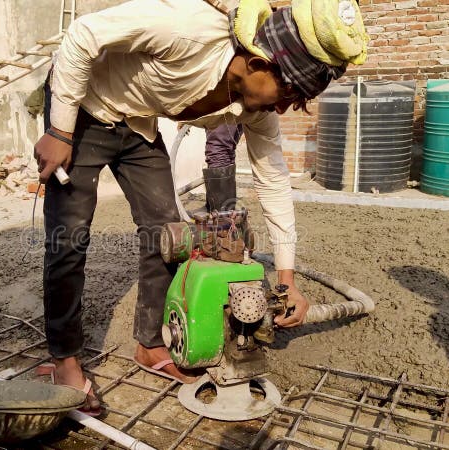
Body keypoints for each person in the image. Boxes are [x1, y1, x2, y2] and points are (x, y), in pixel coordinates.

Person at [33, 0, 368, 415]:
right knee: (69, 238)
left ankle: (150, 344)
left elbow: (274, 182)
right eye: (287, 93)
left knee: (168, 233)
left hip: (136, 123)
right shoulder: (186, 28)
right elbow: (82, 35)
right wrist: (59, 130)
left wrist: (286, 280)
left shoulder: (256, 109)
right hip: (84, 108)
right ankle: (65, 361)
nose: (283, 108)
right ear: (258, 63)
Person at [203, 123, 244, 212]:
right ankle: (225, 211)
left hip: (225, 115)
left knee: (219, 149)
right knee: (227, 152)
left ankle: (221, 215)